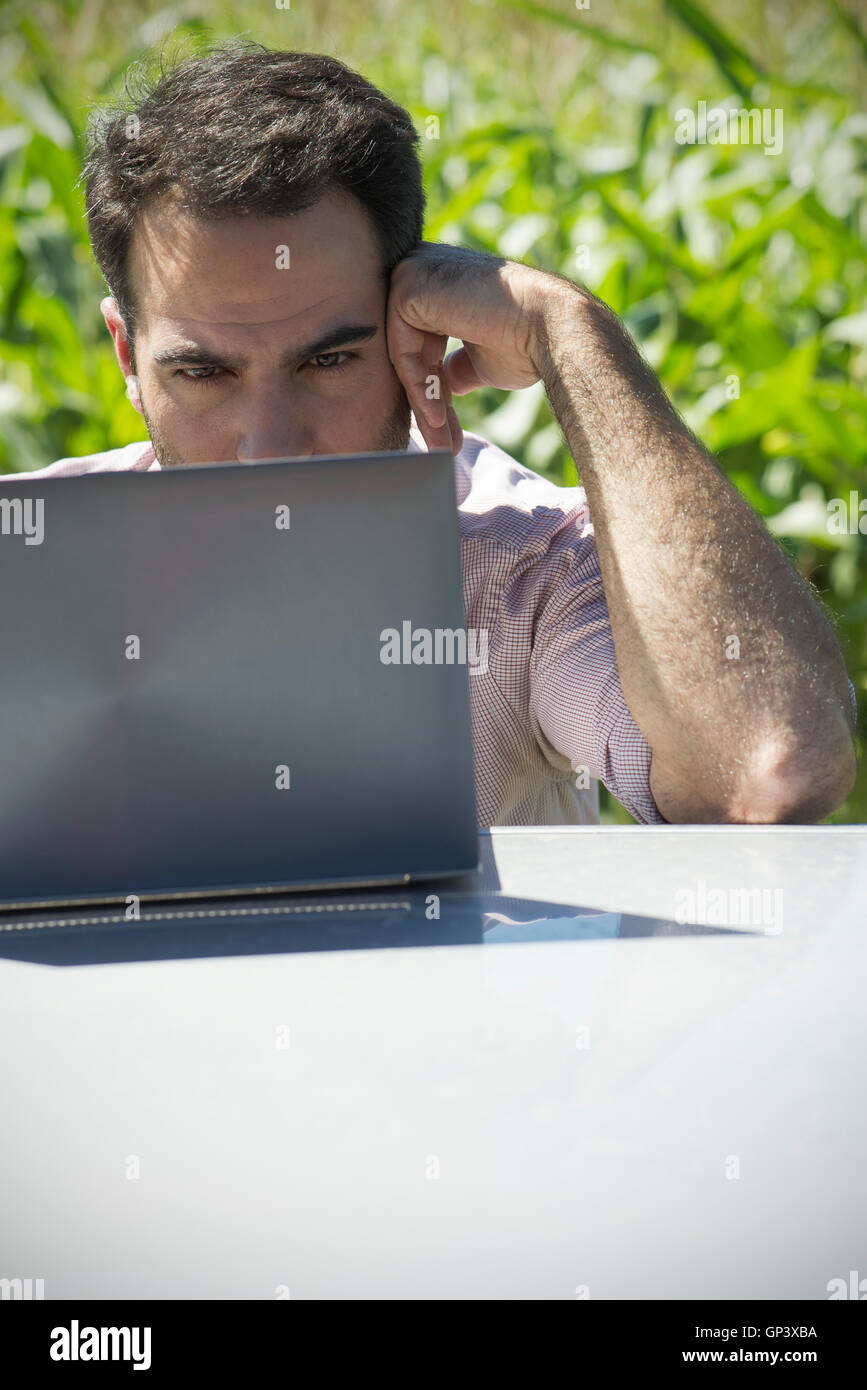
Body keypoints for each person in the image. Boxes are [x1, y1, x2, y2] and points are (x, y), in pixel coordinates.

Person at [5, 41, 857, 828]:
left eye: (327, 361)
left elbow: (765, 770)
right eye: (205, 373)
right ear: (126, 351)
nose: (268, 445)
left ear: (416, 331)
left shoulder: (520, 574)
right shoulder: (29, 570)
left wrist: (568, 334)